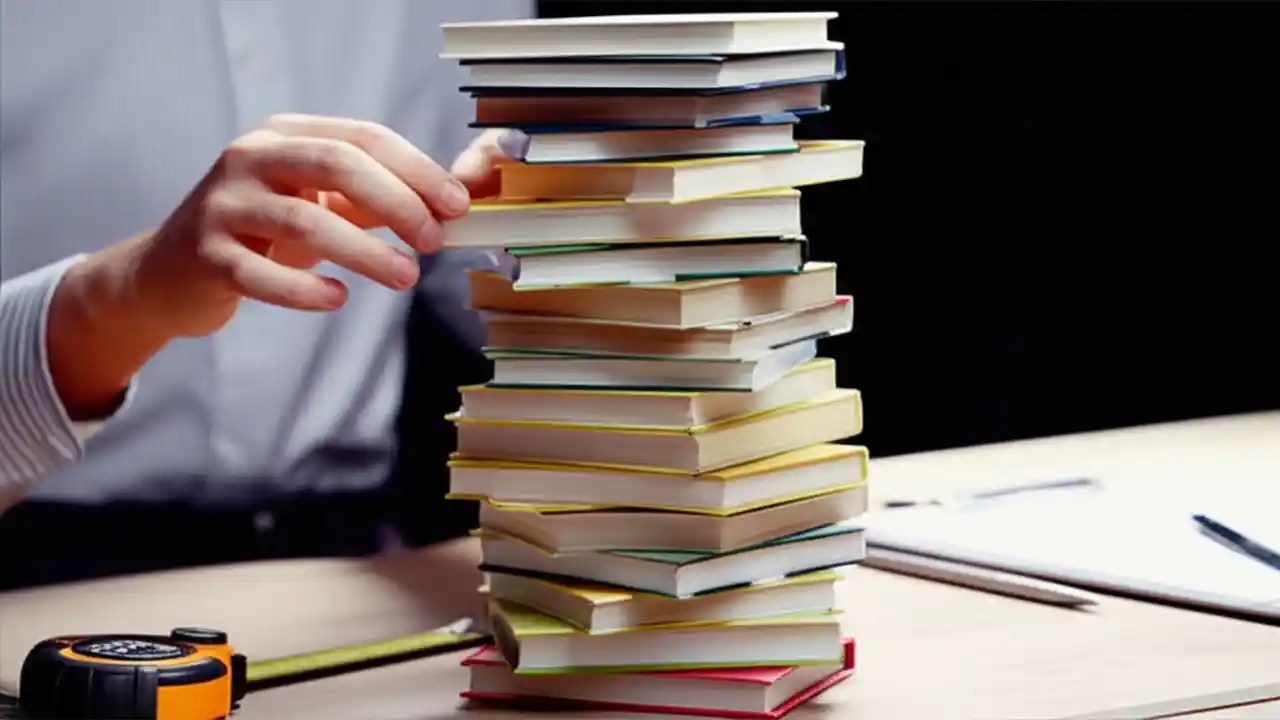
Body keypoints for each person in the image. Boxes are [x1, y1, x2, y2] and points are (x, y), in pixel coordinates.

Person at [0, 0, 533, 588]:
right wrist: (122, 296)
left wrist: (600, 239)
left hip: (357, 569)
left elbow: (488, 293)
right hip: (34, 566)